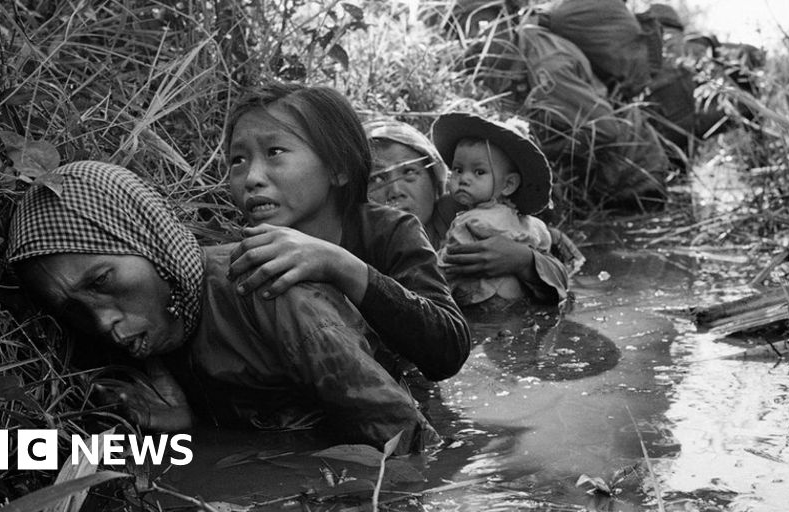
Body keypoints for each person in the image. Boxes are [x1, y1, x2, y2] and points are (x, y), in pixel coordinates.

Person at [7, 161, 436, 454]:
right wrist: (187, 424)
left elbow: (410, 446)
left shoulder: (271, 294)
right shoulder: (140, 339)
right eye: (73, 309)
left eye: (102, 281)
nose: (102, 323)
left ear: (149, 241)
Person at [222, 82, 470, 384]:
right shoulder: (238, 255)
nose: (251, 178)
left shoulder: (389, 231)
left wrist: (341, 266)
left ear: (338, 168)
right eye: (238, 160)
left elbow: (449, 349)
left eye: (274, 152)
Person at [365, 117, 578, 305]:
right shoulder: (362, 246)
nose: (394, 191)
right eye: (377, 178)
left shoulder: (472, 218)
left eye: (409, 172)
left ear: (435, 181)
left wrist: (523, 260)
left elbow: (561, 277)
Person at [431, 112, 554, 305]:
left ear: (509, 185)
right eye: (458, 170)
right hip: (516, 302)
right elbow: (545, 243)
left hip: (479, 302)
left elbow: (446, 266)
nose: (464, 179)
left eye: (479, 172)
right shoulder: (532, 225)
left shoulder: (468, 221)